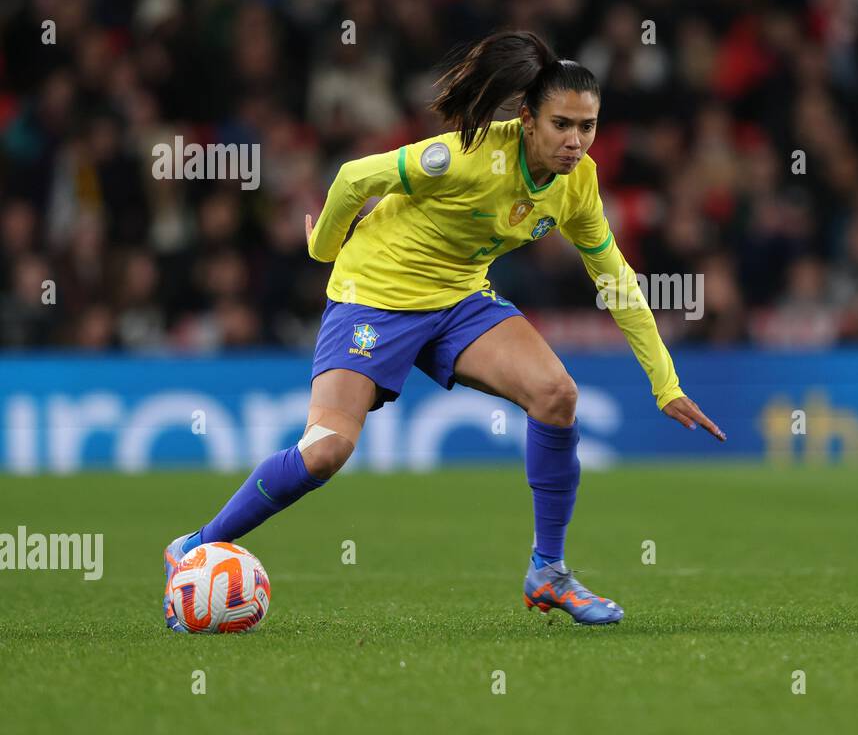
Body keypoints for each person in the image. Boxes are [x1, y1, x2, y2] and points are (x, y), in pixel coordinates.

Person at [163, 31, 725, 631]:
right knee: (326, 451)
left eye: (588, 127)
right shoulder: (464, 157)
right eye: (563, 124)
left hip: (458, 297)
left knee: (557, 395)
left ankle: (549, 572)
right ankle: (194, 546)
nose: (576, 141)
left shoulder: (577, 182)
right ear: (528, 119)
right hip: (374, 295)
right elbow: (355, 177)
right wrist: (325, 247)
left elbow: (616, 281)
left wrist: (665, 383)